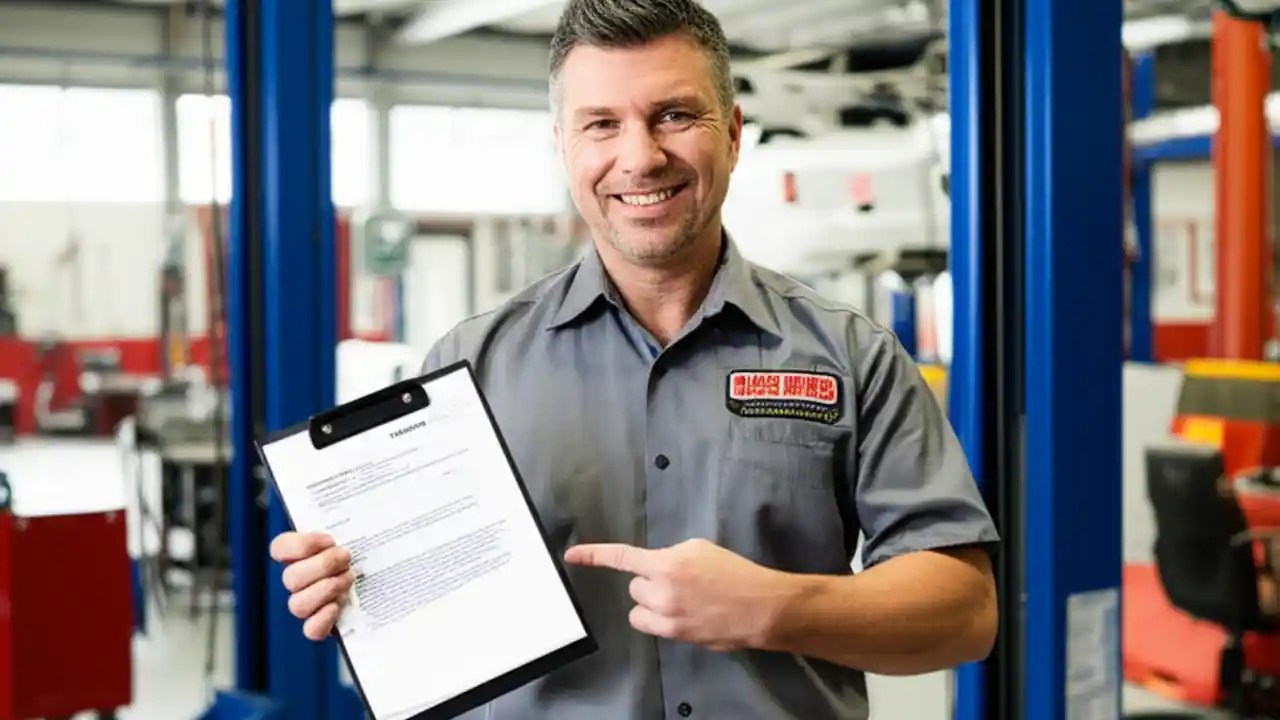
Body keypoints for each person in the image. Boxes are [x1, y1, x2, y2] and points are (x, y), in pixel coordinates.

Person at [269, 1, 999, 717]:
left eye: (675, 115)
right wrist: (359, 583)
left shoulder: (852, 355)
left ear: (735, 134)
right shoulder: (472, 366)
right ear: (565, 146)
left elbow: (965, 613)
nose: (641, 156)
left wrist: (774, 607)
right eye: (602, 125)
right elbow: (425, 611)